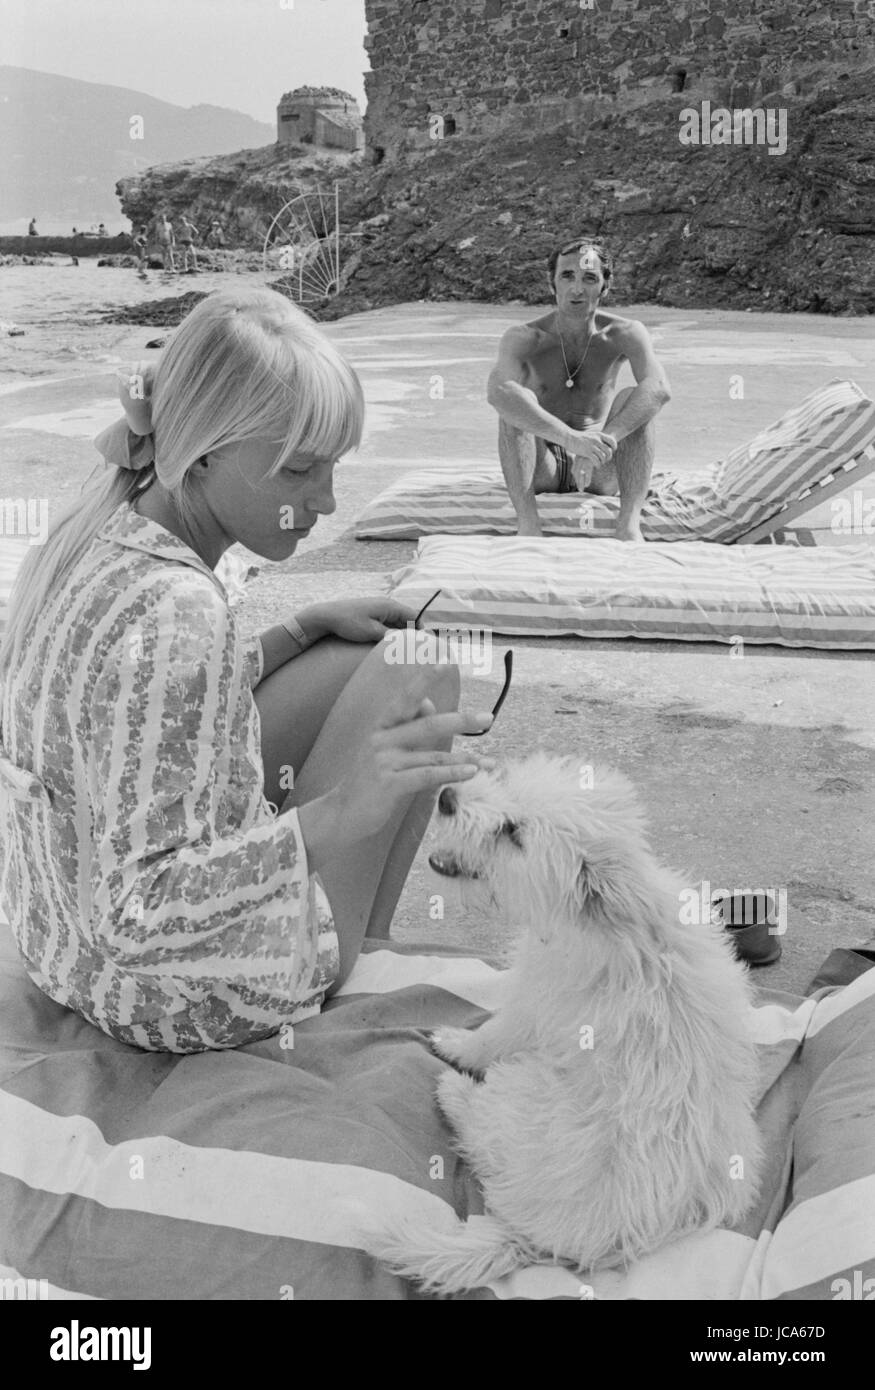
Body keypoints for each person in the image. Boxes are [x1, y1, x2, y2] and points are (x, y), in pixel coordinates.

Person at [0, 286, 494, 1054]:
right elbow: (138, 913)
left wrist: (297, 629)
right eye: (300, 470)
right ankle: (351, 955)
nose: (328, 500)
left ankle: (352, 930)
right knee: (420, 667)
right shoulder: (179, 610)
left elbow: (143, 717)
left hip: (64, 956)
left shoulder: (89, 536)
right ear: (202, 454)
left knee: (355, 655)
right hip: (183, 997)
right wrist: (340, 814)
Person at [487, 236, 671, 540]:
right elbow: (497, 392)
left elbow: (659, 387)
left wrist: (603, 442)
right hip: (543, 461)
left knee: (635, 398)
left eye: (589, 278)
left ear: (604, 286)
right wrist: (570, 440)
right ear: (552, 283)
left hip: (600, 462)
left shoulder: (624, 333)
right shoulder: (524, 337)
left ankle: (628, 525)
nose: (577, 289)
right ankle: (529, 526)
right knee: (513, 400)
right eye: (567, 276)